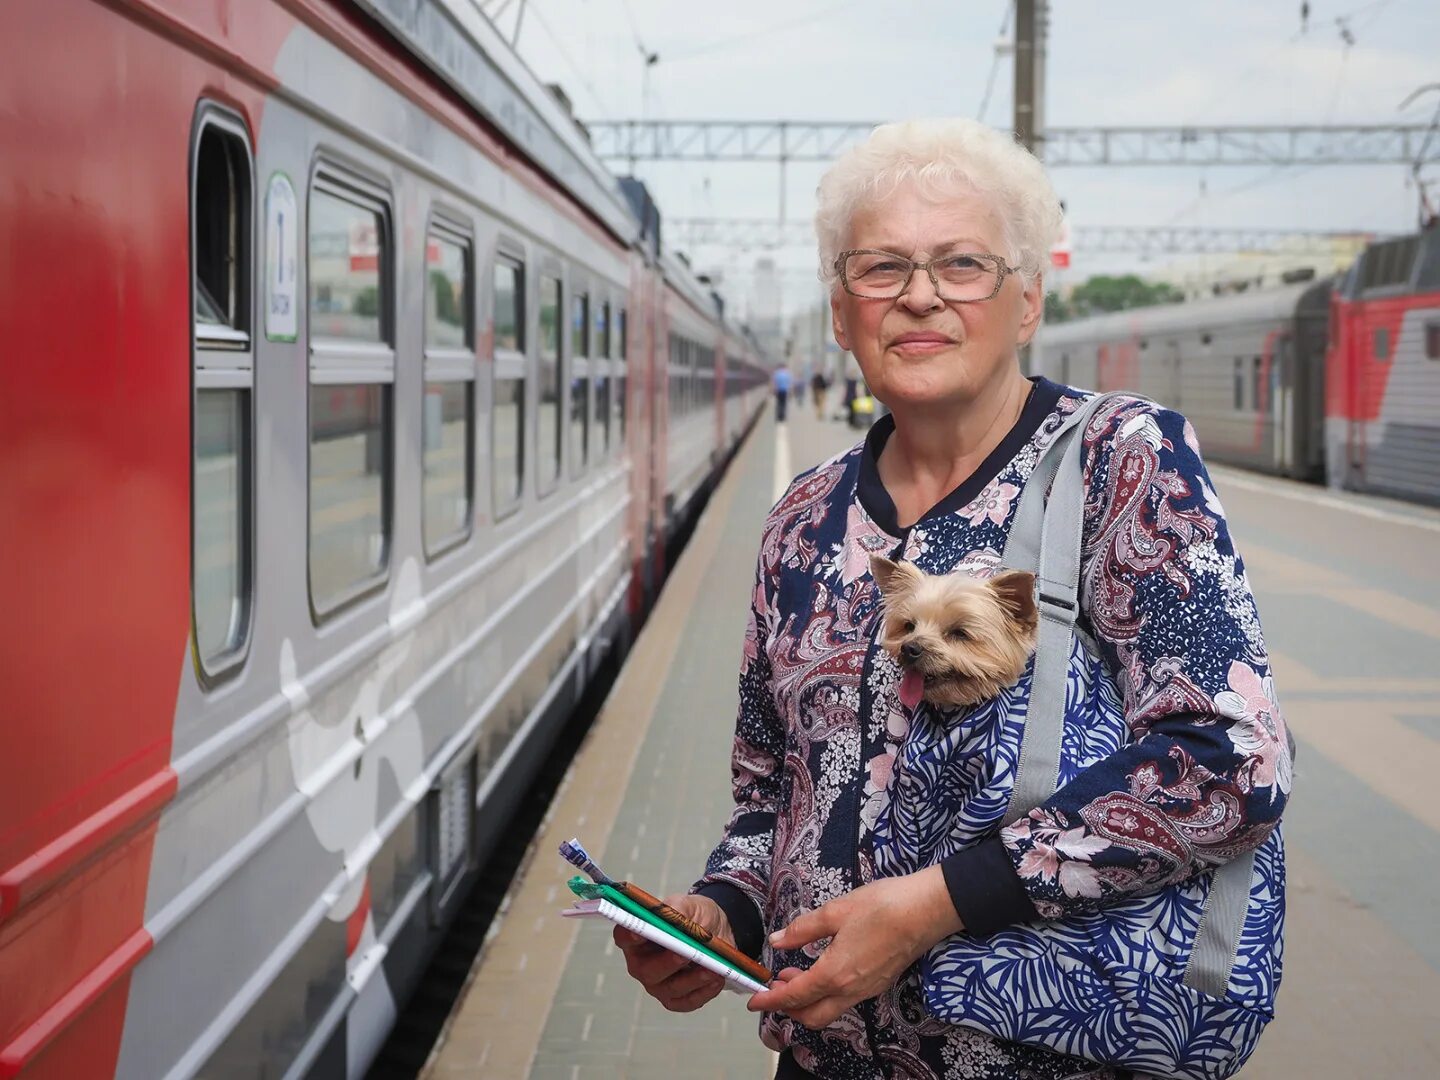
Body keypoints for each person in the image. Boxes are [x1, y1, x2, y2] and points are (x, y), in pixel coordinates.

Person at [614, 119, 1290, 1079]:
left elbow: (1233, 759)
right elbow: (771, 796)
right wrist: (723, 909)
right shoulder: (802, 519)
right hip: (826, 1058)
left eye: (963, 263)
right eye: (880, 268)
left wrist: (936, 905)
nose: (921, 294)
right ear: (841, 314)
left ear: (1026, 302)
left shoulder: (1123, 464)